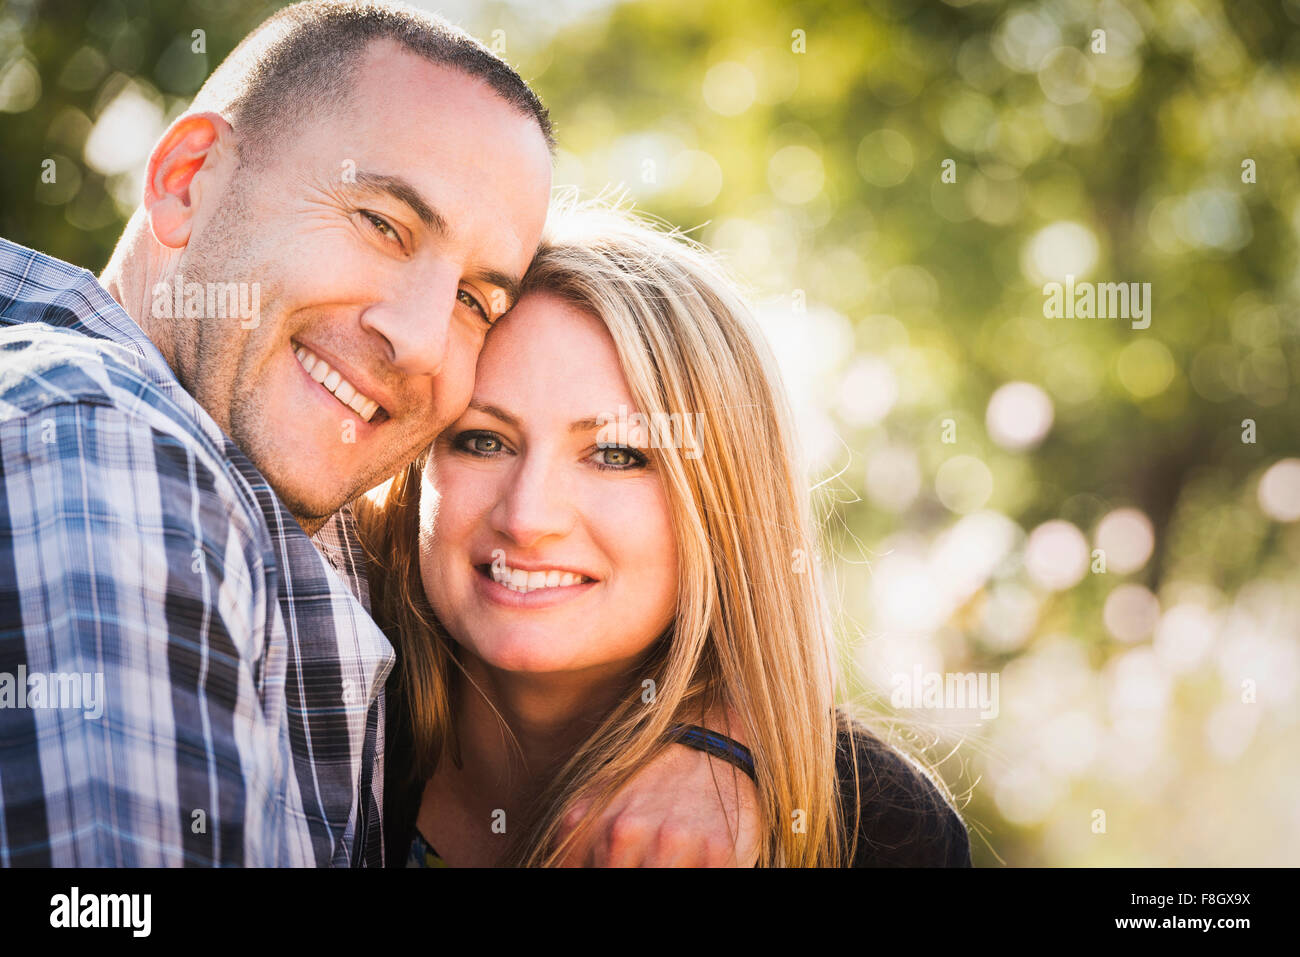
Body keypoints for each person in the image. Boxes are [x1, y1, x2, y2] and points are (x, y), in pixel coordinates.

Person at [0, 0, 758, 867]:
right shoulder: (104, 448)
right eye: (384, 225)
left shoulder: (289, 516)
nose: (422, 340)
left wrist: (723, 733)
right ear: (187, 178)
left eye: (477, 298)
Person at [359, 204, 972, 866]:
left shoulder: (873, 830)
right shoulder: (313, 689)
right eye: (483, 440)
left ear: (722, 505)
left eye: (618, 454)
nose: (528, 516)